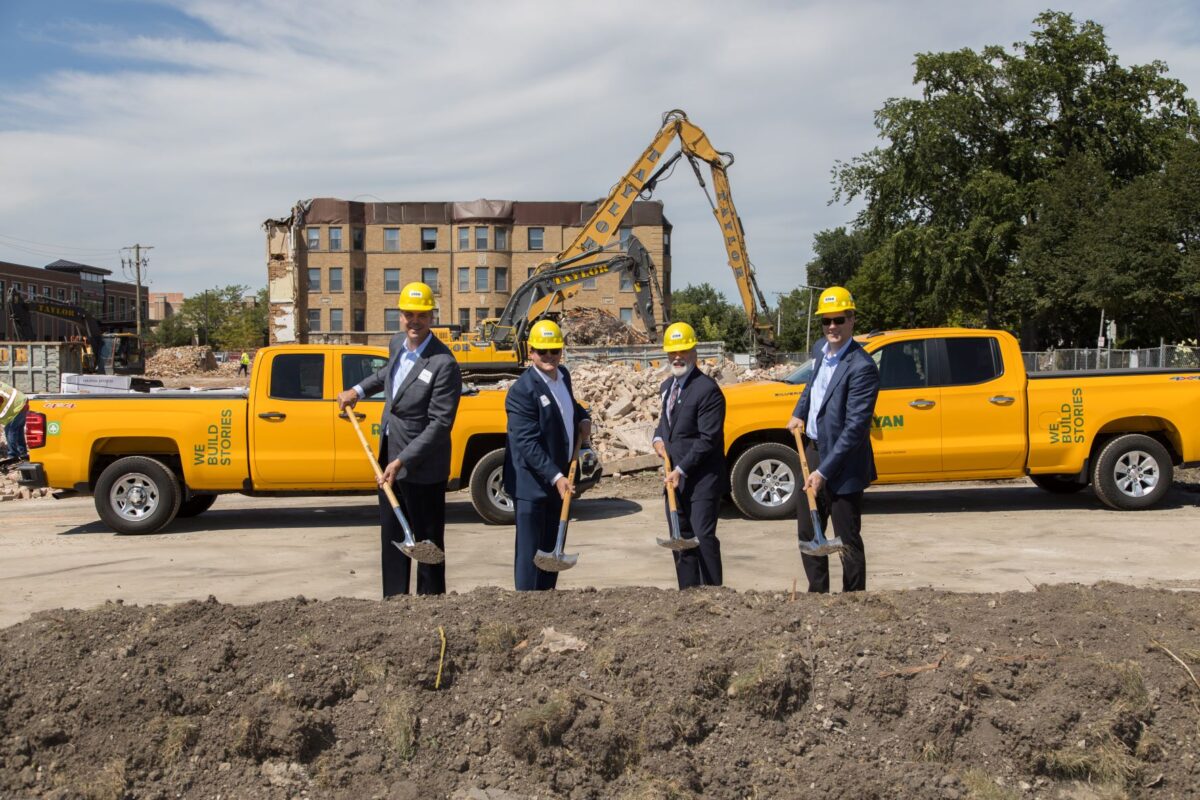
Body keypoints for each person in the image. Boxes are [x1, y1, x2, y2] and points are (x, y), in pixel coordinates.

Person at [337, 282, 462, 597]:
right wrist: (357, 391)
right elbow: (386, 376)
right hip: (389, 456)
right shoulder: (396, 344)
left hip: (423, 467)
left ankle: (431, 605)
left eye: (421, 315)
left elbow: (439, 424)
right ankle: (394, 603)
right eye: (408, 315)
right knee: (393, 536)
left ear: (432, 316)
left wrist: (403, 460)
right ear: (400, 316)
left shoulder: (443, 363)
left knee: (426, 543)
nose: (414, 322)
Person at [786, 286, 880, 593]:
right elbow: (812, 388)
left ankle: (853, 600)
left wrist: (824, 472)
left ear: (852, 320)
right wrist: (800, 412)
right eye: (826, 321)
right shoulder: (818, 350)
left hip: (845, 462)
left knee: (846, 537)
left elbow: (855, 428)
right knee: (808, 529)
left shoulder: (862, 367)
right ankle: (818, 594)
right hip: (813, 449)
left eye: (839, 320)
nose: (832, 327)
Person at [503, 320, 592, 591]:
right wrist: (556, 477)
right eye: (543, 351)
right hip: (532, 484)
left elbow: (569, 407)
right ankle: (527, 604)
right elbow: (526, 443)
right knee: (530, 553)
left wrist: (583, 418)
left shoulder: (563, 375)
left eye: (555, 350)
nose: (550, 357)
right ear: (531, 352)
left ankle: (547, 600)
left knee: (553, 545)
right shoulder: (522, 391)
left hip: (561, 479)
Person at [652, 322, 727, 588]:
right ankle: (688, 596)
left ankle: (714, 593)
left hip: (702, 479)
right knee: (680, 539)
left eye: (683, 350)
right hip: (676, 479)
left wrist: (681, 469)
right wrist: (658, 438)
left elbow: (708, 439)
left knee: (702, 538)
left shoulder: (707, 390)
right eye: (672, 352)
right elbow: (665, 424)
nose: (677, 357)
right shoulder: (666, 387)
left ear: (694, 351)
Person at [1, 380, 29, 463]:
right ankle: (22, 452)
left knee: (10, 430)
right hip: (23, 402)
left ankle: (13, 455)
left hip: (16, 407)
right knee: (18, 429)